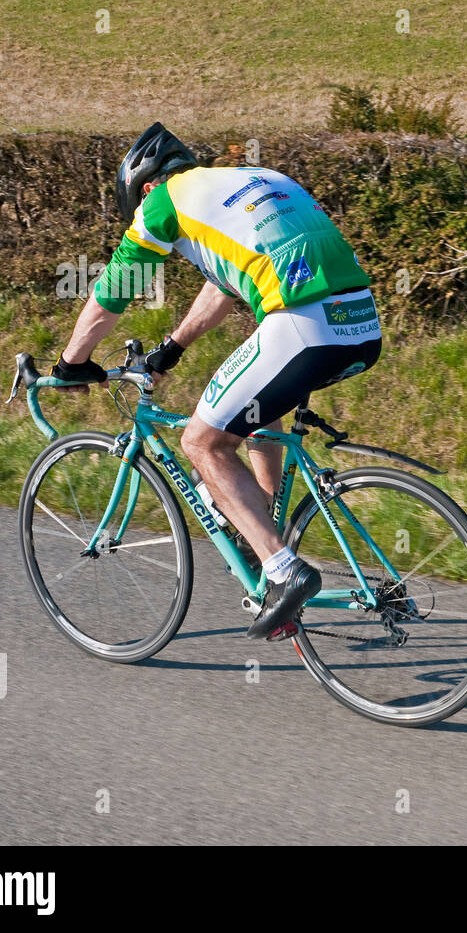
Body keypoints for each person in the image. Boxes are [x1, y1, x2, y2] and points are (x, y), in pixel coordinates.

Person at [53, 123, 381, 642]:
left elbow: (115, 290)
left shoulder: (162, 203)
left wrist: (71, 362)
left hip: (305, 326)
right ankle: (264, 529)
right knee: (256, 410)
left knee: (202, 442)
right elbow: (224, 285)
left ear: (145, 188)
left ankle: (284, 571)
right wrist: (172, 348)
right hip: (362, 326)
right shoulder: (253, 179)